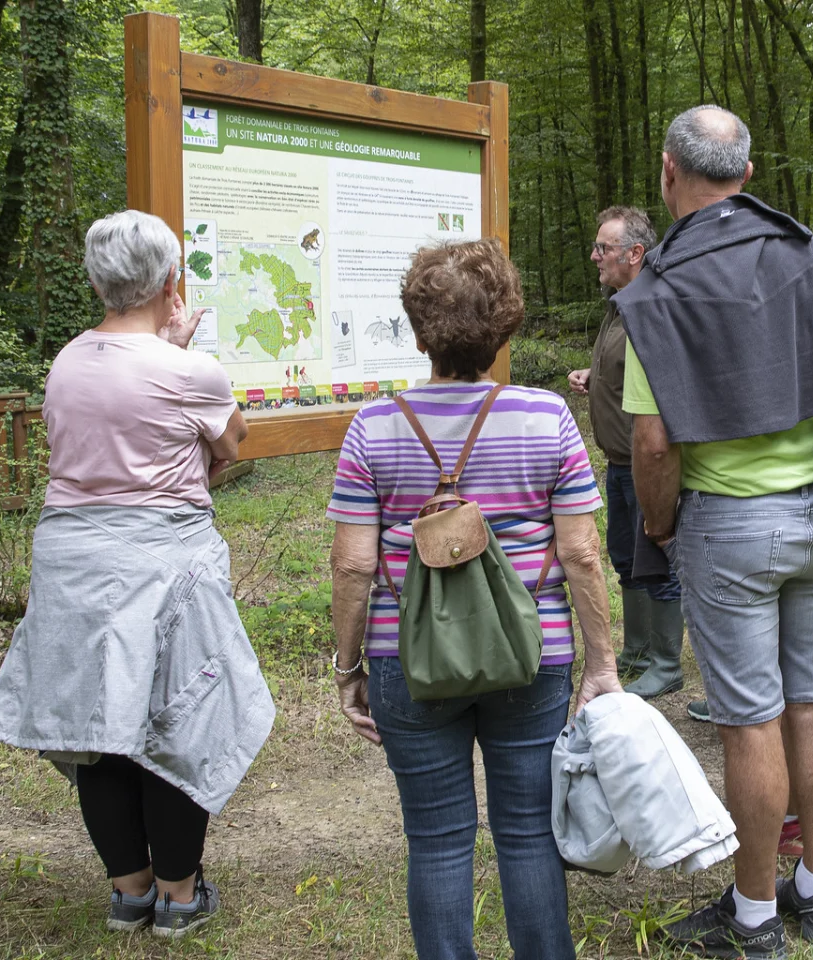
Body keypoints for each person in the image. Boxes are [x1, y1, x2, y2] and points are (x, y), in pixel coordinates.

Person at [0, 210, 269, 939]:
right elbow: (232, 445)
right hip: (164, 562)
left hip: (73, 562)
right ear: (172, 282)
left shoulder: (68, 361)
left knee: (98, 724)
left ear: (96, 280)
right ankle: (178, 895)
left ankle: (128, 891)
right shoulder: (190, 371)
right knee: (180, 717)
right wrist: (178, 355)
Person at [329, 238, 621, 960]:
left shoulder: (373, 426)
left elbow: (354, 565)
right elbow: (582, 553)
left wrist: (350, 666)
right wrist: (601, 663)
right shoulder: (547, 417)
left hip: (410, 661)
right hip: (534, 657)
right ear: (505, 324)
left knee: (435, 839)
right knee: (528, 833)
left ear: (419, 327)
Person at [621, 105, 813, 958]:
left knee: (750, 720)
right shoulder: (810, 255)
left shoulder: (654, 290)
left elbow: (652, 440)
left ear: (667, 172)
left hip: (727, 524)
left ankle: (756, 914)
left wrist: (658, 523)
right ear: (749, 174)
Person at [567, 205, 686, 699]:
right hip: (618, 462)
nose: (594, 256)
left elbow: (666, 385)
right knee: (625, 557)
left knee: (656, 560)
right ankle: (636, 651)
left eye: (604, 248)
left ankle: (666, 662)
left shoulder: (651, 307)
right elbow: (633, 370)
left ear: (635, 253)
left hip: (647, 462)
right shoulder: (620, 303)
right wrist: (595, 377)